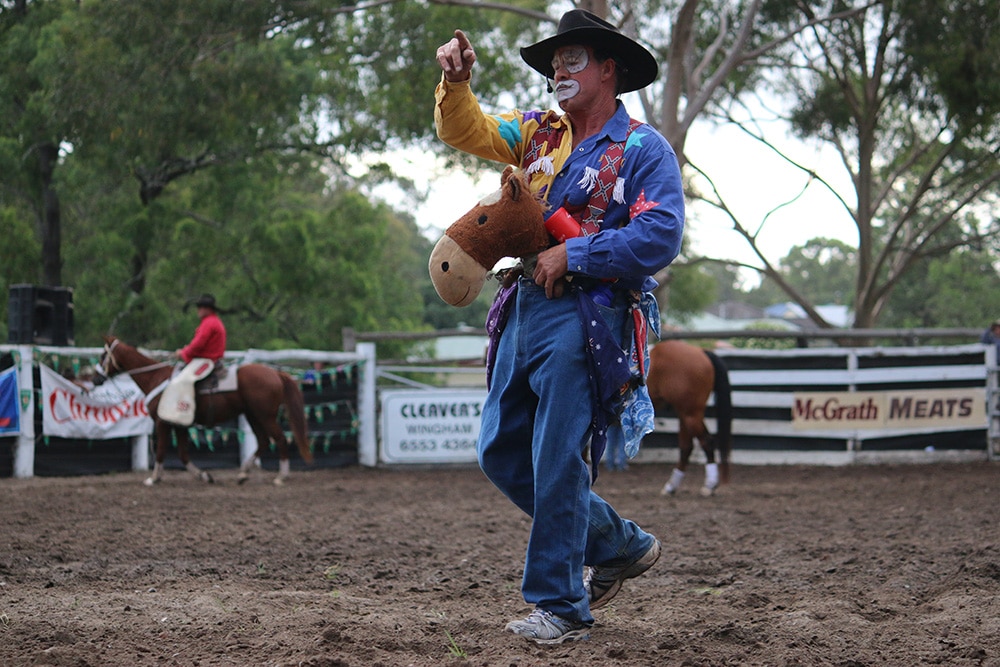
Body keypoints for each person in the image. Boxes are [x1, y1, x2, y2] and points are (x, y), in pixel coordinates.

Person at [434, 9, 685, 645]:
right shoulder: (541, 131)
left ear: (610, 69)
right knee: (499, 449)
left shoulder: (642, 149)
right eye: (554, 62)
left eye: (572, 59)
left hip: (589, 314)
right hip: (524, 305)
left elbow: (661, 234)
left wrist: (574, 253)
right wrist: (457, 85)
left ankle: (562, 605)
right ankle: (619, 544)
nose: (557, 71)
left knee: (556, 455)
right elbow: (469, 130)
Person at [176, 294, 227, 366]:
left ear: (209, 309)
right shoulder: (215, 321)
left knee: (179, 377)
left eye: (201, 307)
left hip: (205, 362)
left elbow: (197, 344)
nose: (198, 310)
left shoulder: (208, 323)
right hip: (212, 361)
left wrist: (183, 352)